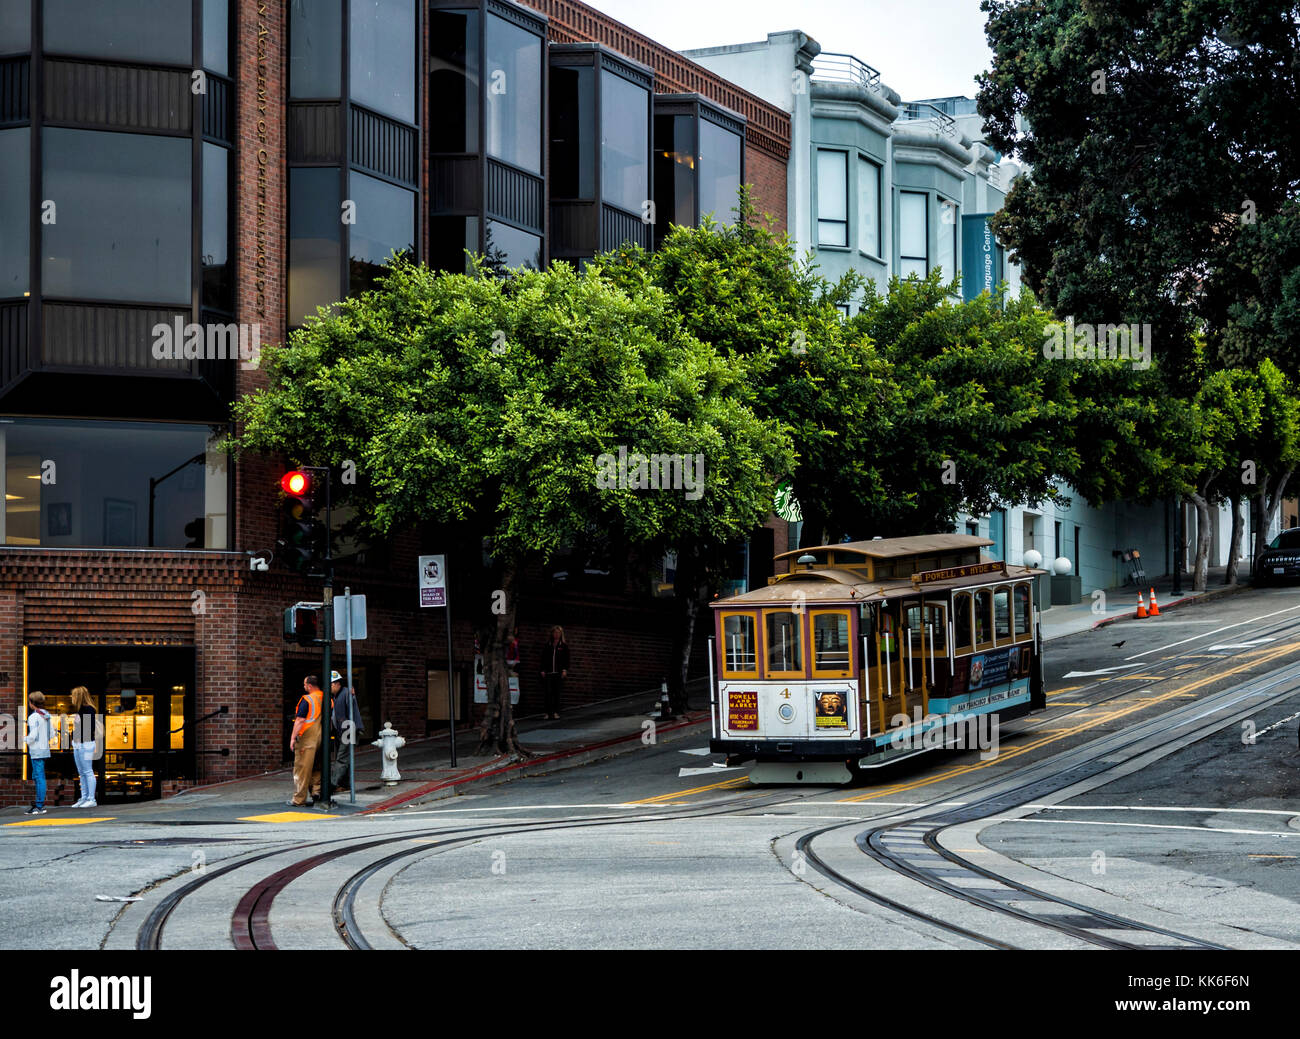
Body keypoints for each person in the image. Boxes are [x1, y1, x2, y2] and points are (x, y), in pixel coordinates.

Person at [288, 675, 329, 807]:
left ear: (310, 686)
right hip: (322, 737)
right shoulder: (326, 698)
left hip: (307, 739)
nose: (304, 687)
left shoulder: (307, 699)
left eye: (305, 685)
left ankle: (299, 799)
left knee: (302, 769)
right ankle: (316, 792)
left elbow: (300, 720)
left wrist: (293, 738)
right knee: (317, 767)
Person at [330, 670, 364, 793]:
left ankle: (332, 784)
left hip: (348, 729)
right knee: (344, 759)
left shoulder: (345, 694)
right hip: (343, 730)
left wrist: (352, 694)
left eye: (331, 685)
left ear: (337, 684)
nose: (329, 688)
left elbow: (351, 708)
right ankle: (344, 784)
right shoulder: (337, 695)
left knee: (341, 758)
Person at [69, 686, 100, 808]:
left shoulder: (88, 709)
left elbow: (89, 728)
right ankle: (84, 797)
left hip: (85, 743)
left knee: (87, 771)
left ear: (79, 696)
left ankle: (91, 799)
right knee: (81, 773)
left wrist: (77, 735)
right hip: (78, 743)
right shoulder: (81, 710)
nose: (72, 698)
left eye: (73, 695)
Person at [24, 692, 52, 815]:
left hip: (36, 751)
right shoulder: (46, 715)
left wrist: (24, 739)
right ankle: (40, 804)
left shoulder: (33, 717)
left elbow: (33, 736)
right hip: (45, 749)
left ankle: (39, 806)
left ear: (32, 703)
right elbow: (51, 734)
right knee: (39, 777)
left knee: (39, 778)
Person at [539, 625, 570, 720]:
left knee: (557, 693)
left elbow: (566, 659)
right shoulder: (547, 645)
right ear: (552, 634)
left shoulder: (564, 646)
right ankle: (547, 713)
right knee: (548, 693)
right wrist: (542, 669)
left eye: (558, 633)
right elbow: (543, 659)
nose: (556, 634)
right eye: (555, 632)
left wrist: (565, 670)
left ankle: (556, 712)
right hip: (548, 673)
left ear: (561, 634)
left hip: (558, 673)